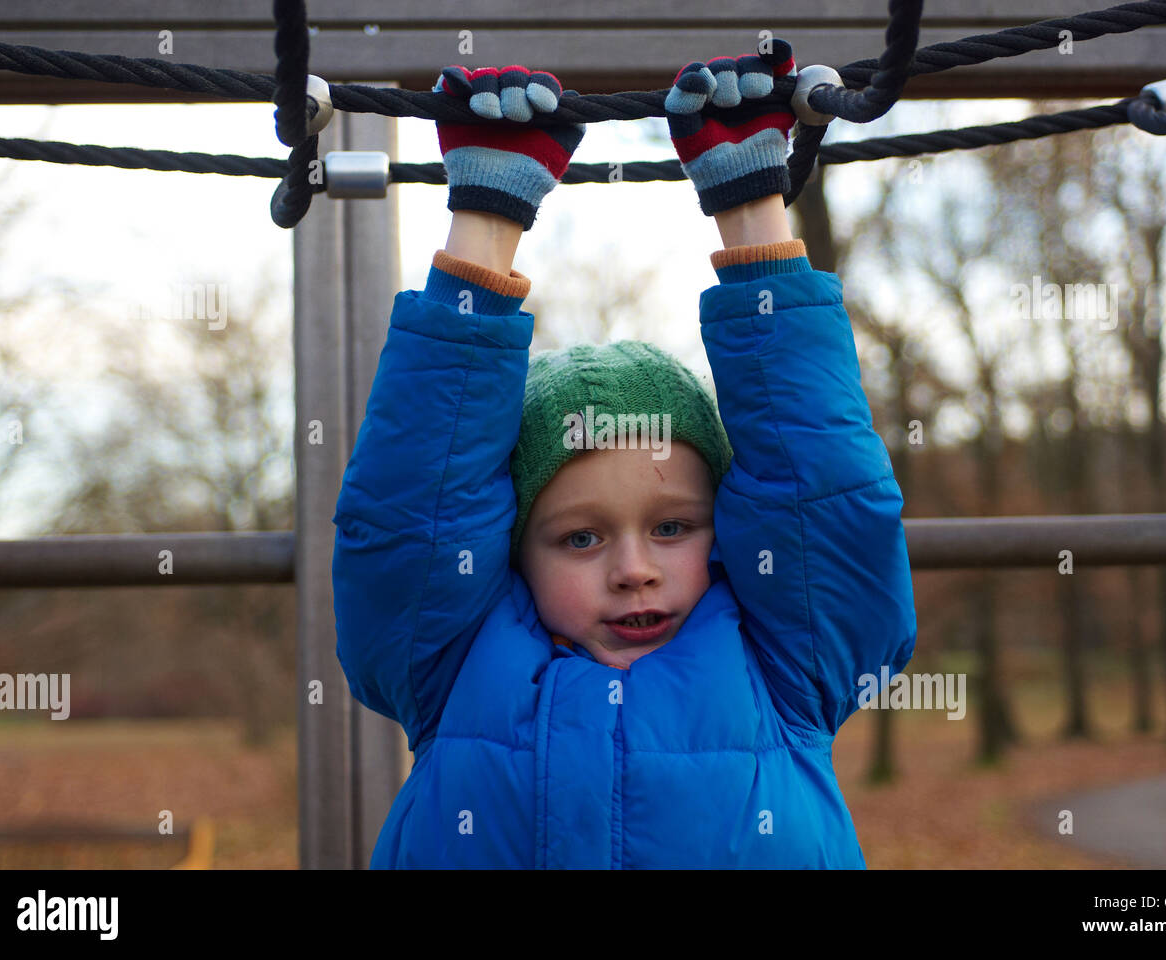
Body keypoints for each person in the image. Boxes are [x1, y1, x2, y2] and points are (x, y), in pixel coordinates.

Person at [332, 38, 917, 868]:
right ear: (508, 552)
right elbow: (415, 510)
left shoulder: (789, 661)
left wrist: (754, 206)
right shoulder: (450, 660)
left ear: (728, 529)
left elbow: (820, 498)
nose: (633, 569)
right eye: (580, 537)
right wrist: (483, 225)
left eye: (674, 526)